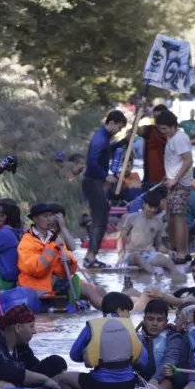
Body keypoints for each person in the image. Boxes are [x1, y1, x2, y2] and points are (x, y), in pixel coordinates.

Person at [0, 304, 69, 389]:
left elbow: (35, 368)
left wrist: (50, 378)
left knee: (56, 362)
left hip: (14, 383)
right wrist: (44, 379)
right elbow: (6, 371)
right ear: (17, 328)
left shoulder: (21, 347)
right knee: (6, 385)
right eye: (31, 326)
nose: (34, 331)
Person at [18, 203, 105, 309]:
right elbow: (37, 269)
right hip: (37, 285)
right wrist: (53, 249)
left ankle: (114, 313)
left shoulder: (54, 238)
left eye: (51, 216)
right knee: (88, 289)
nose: (49, 219)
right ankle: (113, 312)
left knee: (99, 289)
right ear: (35, 219)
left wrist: (68, 262)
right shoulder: (27, 241)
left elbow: (69, 270)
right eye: (45, 216)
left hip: (56, 282)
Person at [67, 292, 150, 389]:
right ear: (120, 310)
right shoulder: (130, 327)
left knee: (62, 378)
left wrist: (91, 355)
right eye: (128, 312)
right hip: (128, 383)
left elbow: (74, 355)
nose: (128, 316)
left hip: (99, 383)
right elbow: (143, 361)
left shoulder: (92, 327)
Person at [82, 110, 129, 269]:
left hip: (96, 181)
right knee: (99, 218)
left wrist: (123, 142)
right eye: (119, 128)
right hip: (93, 181)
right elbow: (91, 161)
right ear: (112, 123)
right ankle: (90, 256)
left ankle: (91, 255)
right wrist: (105, 175)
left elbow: (107, 152)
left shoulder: (105, 137)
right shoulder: (100, 139)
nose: (119, 131)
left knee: (102, 216)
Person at [156, 109, 194, 264]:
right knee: (174, 217)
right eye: (160, 129)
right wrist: (168, 175)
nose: (163, 132)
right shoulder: (172, 138)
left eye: (165, 129)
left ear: (173, 126)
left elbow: (188, 160)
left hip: (180, 184)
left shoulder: (179, 138)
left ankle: (182, 252)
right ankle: (179, 250)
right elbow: (175, 161)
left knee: (178, 217)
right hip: (173, 182)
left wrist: (175, 179)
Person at [117, 191, 181, 275]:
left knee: (168, 262)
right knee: (139, 258)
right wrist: (120, 256)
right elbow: (120, 238)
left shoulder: (158, 222)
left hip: (149, 253)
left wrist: (168, 251)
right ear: (144, 204)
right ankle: (154, 276)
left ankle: (178, 282)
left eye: (155, 208)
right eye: (150, 207)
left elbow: (158, 245)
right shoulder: (132, 218)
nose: (152, 210)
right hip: (131, 253)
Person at [139, 299, 183, 389]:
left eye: (159, 320)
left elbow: (170, 358)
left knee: (167, 381)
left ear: (166, 322)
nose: (155, 324)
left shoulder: (174, 337)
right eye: (150, 319)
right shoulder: (136, 337)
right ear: (144, 319)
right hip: (139, 379)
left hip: (162, 380)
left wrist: (155, 379)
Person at [0, 199, 23, 291]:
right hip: (7, 279)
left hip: (4, 281)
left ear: (3, 218)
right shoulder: (7, 231)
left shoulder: (4, 233)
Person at [137, 104, 170, 193]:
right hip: (149, 177)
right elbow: (135, 130)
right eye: (154, 117)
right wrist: (138, 117)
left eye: (159, 117)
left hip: (167, 178)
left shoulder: (173, 133)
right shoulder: (150, 130)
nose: (156, 120)